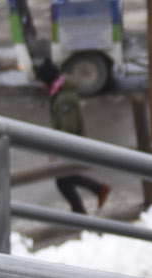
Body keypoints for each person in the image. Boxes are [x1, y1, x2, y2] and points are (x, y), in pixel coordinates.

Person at [46, 68, 111, 215]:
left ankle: (83, 208)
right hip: (69, 144)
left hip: (69, 146)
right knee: (65, 179)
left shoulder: (64, 99)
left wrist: (56, 149)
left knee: (63, 179)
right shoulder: (62, 94)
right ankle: (93, 195)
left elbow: (68, 126)